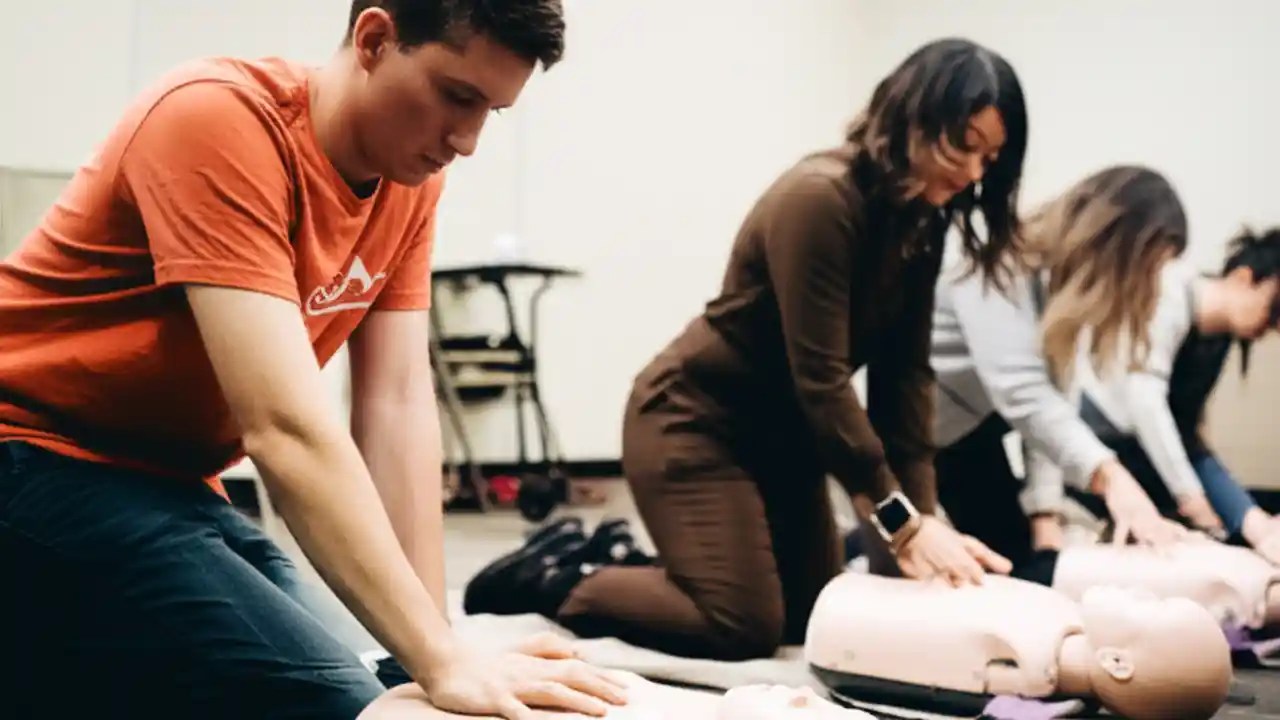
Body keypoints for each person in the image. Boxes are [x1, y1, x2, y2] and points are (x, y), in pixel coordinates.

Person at [0, 2, 630, 719]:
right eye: (456, 96)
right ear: (374, 39)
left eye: (492, 111)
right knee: (348, 707)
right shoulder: (215, 118)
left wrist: (431, 647)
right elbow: (284, 428)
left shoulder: (409, 181)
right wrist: (441, 659)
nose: (467, 139)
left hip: (171, 484)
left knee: (382, 680)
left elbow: (394, 403)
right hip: (31, 457)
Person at [464, 37, 1029, 661]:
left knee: (813, 619)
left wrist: (924, 523)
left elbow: (906, 381)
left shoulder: (922, 218)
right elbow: (822, 380)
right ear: (912, 117)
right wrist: (901, 523)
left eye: (990, 157)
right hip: (694, 424)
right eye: (965, 146)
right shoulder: (821, 198)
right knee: (741, 625)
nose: (975, 173)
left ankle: (659, 563)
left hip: (785, 443)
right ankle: (563, 575)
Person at [925, 165, 1190, 572]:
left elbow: (1051, 402)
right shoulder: (996, 258)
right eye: (1147, 269)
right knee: (945, 573)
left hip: (972, 428)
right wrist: (1112, 478)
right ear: (1116, 247)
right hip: (915, 434)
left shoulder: (1057, 287)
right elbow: (1022, 393)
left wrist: (1044, 513)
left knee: (1016, 566)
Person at [1066, 228, 1280, 558]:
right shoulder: (1171, 290)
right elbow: (1145, 406)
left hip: (1144, 459)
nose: (1272, 326)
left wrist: (1250, 518)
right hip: (1096, 447)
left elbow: (1185, 436)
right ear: (1242, 278)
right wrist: (1191, 499)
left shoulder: (1218, 340)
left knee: (1246, 526)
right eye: (1274, 308)